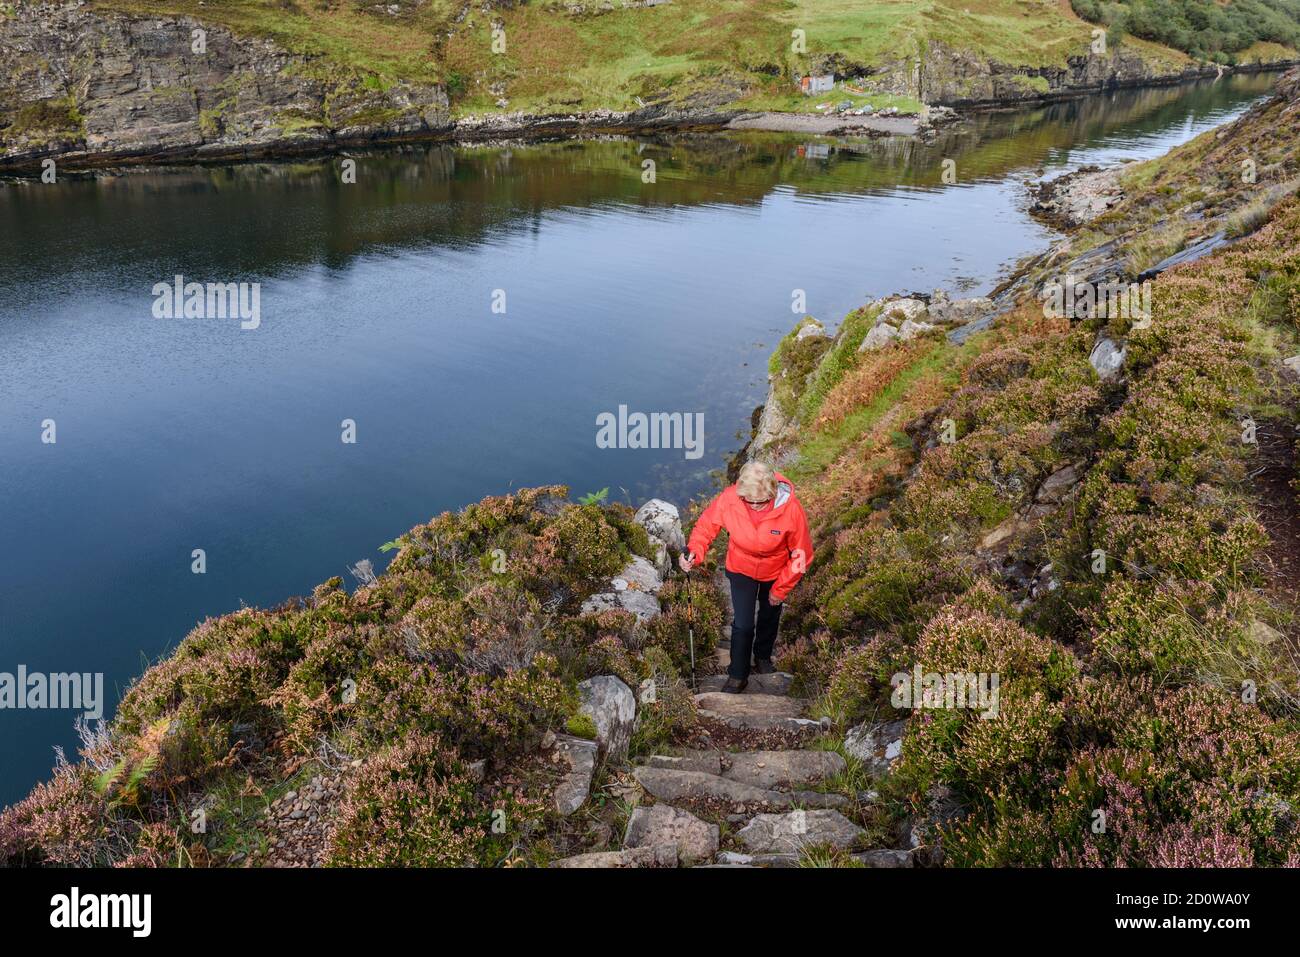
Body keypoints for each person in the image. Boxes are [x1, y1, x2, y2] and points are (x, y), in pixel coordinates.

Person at [678, 461, 814, 693]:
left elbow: (802, 554)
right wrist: (694, 552)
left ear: (771, 494)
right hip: (741, 567)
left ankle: (762, 657)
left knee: (770, 614)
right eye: (748, 501)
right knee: (742, 624)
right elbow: (706, 527)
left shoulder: (790, 509)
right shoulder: (731, 498)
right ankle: (737, 675)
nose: (754, 506)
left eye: (760, 502)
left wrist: (780, 589)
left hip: (776, 569)